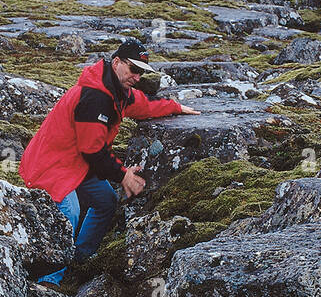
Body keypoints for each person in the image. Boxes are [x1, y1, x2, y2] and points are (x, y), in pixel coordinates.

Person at [19, 38, 200, 282]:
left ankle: (78, 259)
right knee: (68, 213)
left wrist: (176, 107)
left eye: (142, 73)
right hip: (51, 165)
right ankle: (49, 281)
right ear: (116, 63)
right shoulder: (96, 97)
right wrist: (123, 174)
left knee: (106, 201)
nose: (137, 77)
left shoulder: (117, 90)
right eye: (133, 70)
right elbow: (92, 150)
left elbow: (144, 105)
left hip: (77, 164)